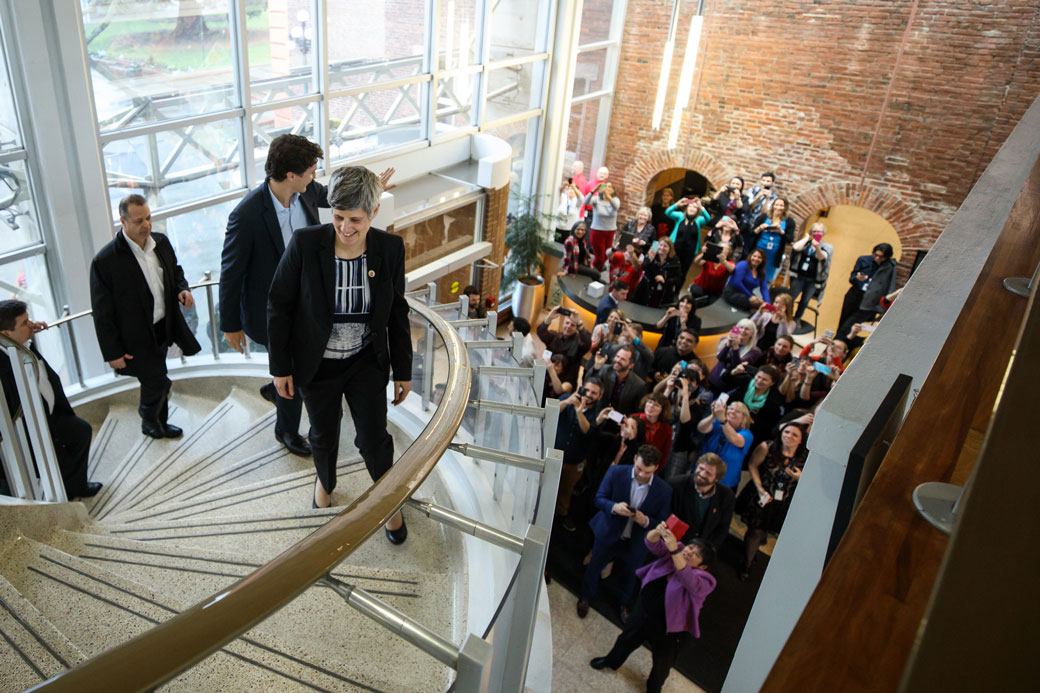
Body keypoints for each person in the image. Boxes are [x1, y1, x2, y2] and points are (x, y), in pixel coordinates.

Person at [266, 166, 411, 543]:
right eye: (339, 217)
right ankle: (325, 482)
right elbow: (278, 304)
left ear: (374, 213)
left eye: (356, 220)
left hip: (365, 361)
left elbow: (397, 312)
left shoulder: (390, 249)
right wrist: (280, 367)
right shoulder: (304, 243)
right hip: (318, 365)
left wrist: (404, 370)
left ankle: (387, 502)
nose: (345, 227)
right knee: (323, 435)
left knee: (373, 439)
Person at [220, 135, 330, 456]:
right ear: (291, 176)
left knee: (300, 364)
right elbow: (231, 273)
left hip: (306, 301)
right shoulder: (246, 215)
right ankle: (286, 431)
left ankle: (276, 388)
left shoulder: (306, 191)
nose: (315, 176)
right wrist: (231, 324)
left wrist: (368, 187)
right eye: (310, 171)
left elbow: (331, 195)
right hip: (271, 312)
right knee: (290, 371)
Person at [90, 194, 201, 439]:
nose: (146, 225)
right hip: (136, 337)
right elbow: (102, 313)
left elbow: (176, 270)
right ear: (123, 221)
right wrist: (113, 352)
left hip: (164, 325)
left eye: (149, 218)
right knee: (158, 382)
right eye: (139, 220)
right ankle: (149, 420)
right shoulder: (105, 261)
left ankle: (159, 422)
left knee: (157, 377)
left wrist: (182, 288)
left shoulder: (160, 242)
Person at [589, 524, 716, 693]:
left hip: (669, 629)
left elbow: (689, 580)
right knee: (625, 639)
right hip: (644, 612)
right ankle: (610, 662)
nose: (689, 551)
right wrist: (656, 532)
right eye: (691, 547)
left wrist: (674, 551)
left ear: (702, 567)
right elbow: (652, 544)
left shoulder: (705, 580)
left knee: (662, 664)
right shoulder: (676, 551)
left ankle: (653, 688)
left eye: (696, 554)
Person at [0, 301, 100, 499]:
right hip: (29, 427)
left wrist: (29, 333)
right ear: (6, 334)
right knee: (52, 459)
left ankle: (75, 487)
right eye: (25, 323)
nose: (32, 324)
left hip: (53, 413)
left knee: (81, 432)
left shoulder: (20, 344)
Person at [576, 446, 673, 620]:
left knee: (629, 576)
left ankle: (623, 603)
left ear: (656, 468)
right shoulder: (616, 472)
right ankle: (585, 596)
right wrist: (614, 507)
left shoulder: (665, 490)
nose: (642, 474)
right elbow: (599, 498)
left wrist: (646, 521)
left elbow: (662, 522)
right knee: (594, 567)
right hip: (609, 532)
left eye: (647, 472)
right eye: (639, 469)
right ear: (635, 458)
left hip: (636, 540)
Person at [734, 422, 808, 580]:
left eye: (794, 434)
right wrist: (760, 488)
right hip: (762, 497)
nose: (789, 436)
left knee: (766, 531)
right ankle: (746, 563)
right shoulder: (767, 447)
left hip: (783, 502)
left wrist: (800, 478)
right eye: (786, 432)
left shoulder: (804, 458)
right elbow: (753, 466)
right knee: (755, 531)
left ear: (801, 440)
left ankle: (751, 552)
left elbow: (810, 483)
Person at [554, 377, 603, 530]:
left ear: (599, 396)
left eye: (594, 393)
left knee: (565, 491)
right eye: (587, 390)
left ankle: (560, 518)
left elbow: (587, 430)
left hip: (574, 462)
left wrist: (579, 411)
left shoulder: (598, 414)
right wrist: (568, 401)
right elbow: (551, 412)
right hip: (554, 454)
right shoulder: (567, 398)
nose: (589, 394)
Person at [669, 453, 735, 551]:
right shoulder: (676, 484)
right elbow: (668, 516)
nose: (702, 474)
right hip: (674, 545)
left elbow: (723, 528)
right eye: (701, 468)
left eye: (708, 473)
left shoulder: (726, 496)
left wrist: (706, 551)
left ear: (716, 479)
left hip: (701, 552)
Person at [837, 243, 898, 338]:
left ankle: (840, 347)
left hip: (870, 302)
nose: (877, 258)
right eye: (876, 255)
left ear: (887, 257)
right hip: (855, 295)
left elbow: (891, 287)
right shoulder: (864, 259)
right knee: (843, 322)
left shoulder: (890, 267)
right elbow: (851, 279)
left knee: (849, 326)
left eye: (881, 257)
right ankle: (834, 347)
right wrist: (858, 278)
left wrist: (881, 307)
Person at [696, 399, 754, 489]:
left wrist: (722, 419)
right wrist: (713, 416)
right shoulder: (717, 423)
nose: (732, 412)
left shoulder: (747, 434)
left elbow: (734, 439)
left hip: (725, 482)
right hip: (702, 472)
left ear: (744, 418)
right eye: (730, 408)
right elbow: (701, 428)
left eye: (737, 411)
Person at [726, 365, 784, 445]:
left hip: (748, 432)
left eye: (764, 380)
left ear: (772, 383)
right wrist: (735, 370)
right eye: (758, 377)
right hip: (728, 420)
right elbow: (725, 378)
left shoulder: (773, 401)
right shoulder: (746, 381)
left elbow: (766, 426)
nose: (759, 381)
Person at [788, 221, 834, 323]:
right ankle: (787, 316)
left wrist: (817, 246)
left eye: (819, 232)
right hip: (799, 276)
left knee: (805, 300)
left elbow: (822, 257)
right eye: (815, 231)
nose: (817, 234)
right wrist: (806, 238)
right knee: (791, 297)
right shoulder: (806, 243)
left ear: (823, 233)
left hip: (813, 279)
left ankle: (797, 319)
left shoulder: (827, 246)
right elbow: (796, 248)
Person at [537, 306, 592, 388]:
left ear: (576, 328)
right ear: (562, 324)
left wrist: (579, 323)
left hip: (566, 381)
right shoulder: (554, 336)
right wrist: (549, 318)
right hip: (547, 376)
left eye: (573, 325)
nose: (569, 326)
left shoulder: (579, 343)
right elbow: (541, 332)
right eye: (567, 323)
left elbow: (587, 343)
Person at [591, 345, 647, 415]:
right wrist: (596, 367)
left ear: (631, 365)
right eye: (617, 356)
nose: (618, 360)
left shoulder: (639, 385)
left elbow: (638, 411)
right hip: (598, 413)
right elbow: (589, 385)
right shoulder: (605, 370)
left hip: (619, 420)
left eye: (623, 359)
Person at [749, 197, 795, 281]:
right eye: (776, 205)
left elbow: (790, 239)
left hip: (774, 254)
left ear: (785, 208)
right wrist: (760, 228)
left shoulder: (789, 221)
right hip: (758, 249)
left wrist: (781, 231)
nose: (778, 207)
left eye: (781, 205)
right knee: (752, 271)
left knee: (765, 276)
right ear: (773, 206)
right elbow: (752, 233)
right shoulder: (763, 217)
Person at [708, 318, 760, 392]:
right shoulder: (724, 340)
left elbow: (737, 366)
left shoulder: (754, 352)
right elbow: (720, 358)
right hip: (714, 376)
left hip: (729, 383)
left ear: (752, 333)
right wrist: (728, 344)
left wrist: (735, 347)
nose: (743, 331)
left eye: (747, 329)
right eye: (741, 327)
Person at [667, 197, 711, 278]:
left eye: (694, 207)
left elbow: (708, 219)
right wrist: (678, 204)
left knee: (683, 272)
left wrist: (700, 207)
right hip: (675, 249)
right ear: (686, 208)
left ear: (697, 210)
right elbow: (668, 212)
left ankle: (677, 288)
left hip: (689, 252)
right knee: (670, 269)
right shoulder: (680, 216)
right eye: (690, 206)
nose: (692, 209)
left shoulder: (699, 220)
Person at [584, 180, 621, 270]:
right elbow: (586, 201)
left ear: (613, 190)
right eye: (606, 186)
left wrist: (608, 196)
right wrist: (593, 191)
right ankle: (592, 272)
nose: (607, 188)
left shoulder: (615, 200)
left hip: (610, 231)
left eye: (610, 187)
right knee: (599, 257)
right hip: (597, 231)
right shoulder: (597, 199)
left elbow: (616, 207)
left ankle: (595, 273)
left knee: (606, 256)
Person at [636, 237, 682, 307]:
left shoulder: (674, 260)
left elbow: (678, 278)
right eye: (660, 245)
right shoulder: (652, 254)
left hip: (663, 292)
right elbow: (644, 267)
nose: (662, 248)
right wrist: (650, 258)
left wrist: (665, 280)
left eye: (665, 246)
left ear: (670, 249)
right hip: (647, 288)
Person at [723, 247, 771, 312]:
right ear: (750, 256)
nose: (756, 259)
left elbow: (764, 288)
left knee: (766, 306)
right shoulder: (743, 265)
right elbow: (737, 283)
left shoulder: (762, 271)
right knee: (757, 304)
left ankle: (770, 309)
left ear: (763, 260)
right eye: (754, 256)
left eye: (759, 257)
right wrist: (750, 296)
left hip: (748, 295)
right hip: (733, 293)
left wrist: (767, 301)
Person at [635, 393, 673, 462]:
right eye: (649, 402)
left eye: (656, 405)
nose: (651, 406)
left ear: (662, 410)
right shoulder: (634, 418)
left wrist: (653, 470)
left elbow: (664, 454)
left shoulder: (666, 429)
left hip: (649, 466)